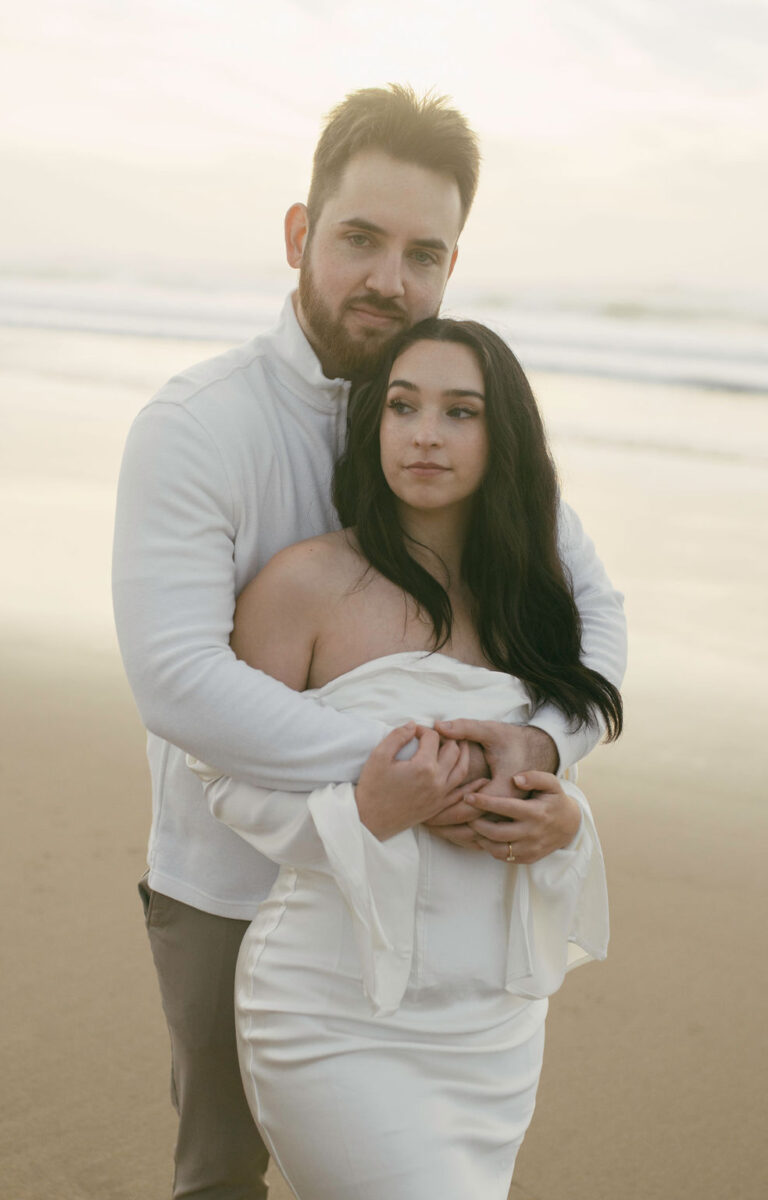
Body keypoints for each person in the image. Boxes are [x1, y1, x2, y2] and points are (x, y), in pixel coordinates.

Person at [112, 86, 627, 1200]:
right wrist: (406, 770)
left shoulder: (456, 416)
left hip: (439, 928)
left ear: (449, 265)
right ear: (300, 235)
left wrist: (532, 752)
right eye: (358, 239)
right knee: (220, 1177)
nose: (389, 278)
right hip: (232, 882)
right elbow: (178, 679)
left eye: (421, 252)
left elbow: (592, 621)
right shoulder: (200, 426)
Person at [189, 318, 622, 1199]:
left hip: (493, 1028)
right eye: (402, 406)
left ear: (503, 437)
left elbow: (557, 758)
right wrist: (369, 811)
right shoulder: (302, 584)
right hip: (334, 1011)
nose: (425, 432)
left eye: (460, 411)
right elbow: (228, 780)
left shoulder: (532, 603)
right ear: (373, 426)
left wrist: (564, 817)